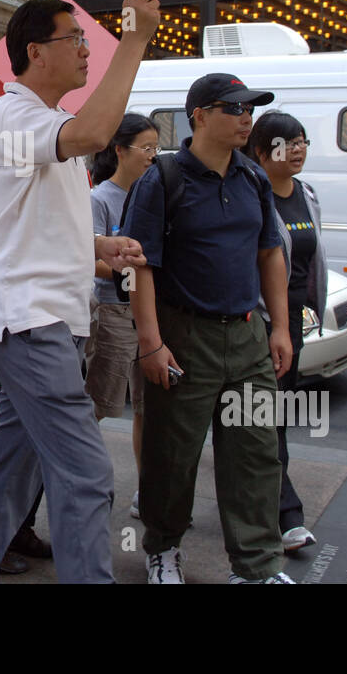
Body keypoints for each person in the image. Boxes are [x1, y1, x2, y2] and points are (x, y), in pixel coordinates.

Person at [0, 0, 158, 584]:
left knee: (13, 471)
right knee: (87, 475)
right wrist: (135, 40)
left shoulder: (43, 118)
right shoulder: (12, 114)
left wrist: (97, 246)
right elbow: (95, 135)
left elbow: (21, 224)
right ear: (36, 51)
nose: (87, 51)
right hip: (32, 323)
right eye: (76, 40)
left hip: (48, 323)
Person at [123, 73, 294, 585]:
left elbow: (270, 252)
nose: (247, 118)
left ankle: (256, 566)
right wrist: (151, 343)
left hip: (246, 335)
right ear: (198, 115)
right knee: (172, 454)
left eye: (251, 109)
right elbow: (138, 265)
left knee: (256, 455)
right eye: (233, 108)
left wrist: (279, 328)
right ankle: (163, 548)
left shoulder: (254, 178)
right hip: (183, 335)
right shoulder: (164, 178)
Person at [246, 111, 325, 554]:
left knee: (275, 418)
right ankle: (285, 515)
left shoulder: (307, 195)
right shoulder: (252, 196)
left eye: (301, 140)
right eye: (284, 142)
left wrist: (306, 312)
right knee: (264, 420)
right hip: (256, 321)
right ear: (261, 152)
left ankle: (266, 507)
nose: (297, 149)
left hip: (292, 321)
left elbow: (312, 259)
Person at [86, 114, 158, 520]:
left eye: (155, 148)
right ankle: (83, 478)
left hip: (149, 312)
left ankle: (147, 490)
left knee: (149, 407)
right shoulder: (100, 199)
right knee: (100, 401)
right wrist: (127, 268)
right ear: (119, 151)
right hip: (113, 309)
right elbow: (87, 255)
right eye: (145, 148)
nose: (152, 156)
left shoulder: (155, 193)